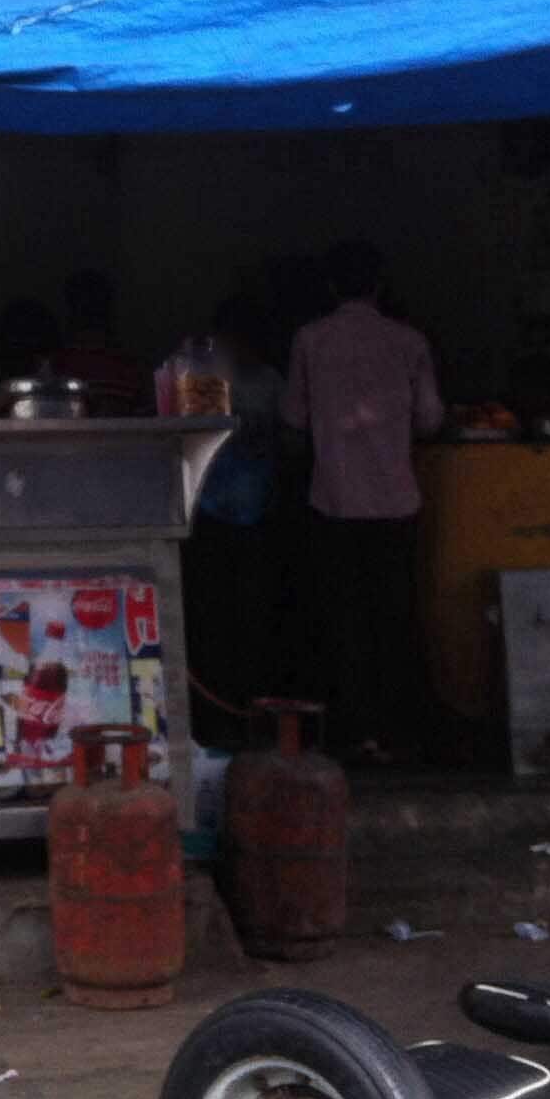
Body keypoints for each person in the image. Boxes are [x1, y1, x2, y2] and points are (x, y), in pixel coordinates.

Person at [281, 240, 444, 762]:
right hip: (397, 501)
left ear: (331, 287)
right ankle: (400, 731)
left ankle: (355, 733)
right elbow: (430, 419)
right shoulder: (409, 341)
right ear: (379, 285)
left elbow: (293, 417)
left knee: (343, 620)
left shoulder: (311, 339)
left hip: (334, 501)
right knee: (395, 617)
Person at [183, 300, 290, 720]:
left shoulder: (270, 382)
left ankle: (250, 710)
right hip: (209, 511)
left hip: (255, 512)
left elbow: (290, 439)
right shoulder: (205, 379)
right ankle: (216, 711)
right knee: (212, 615)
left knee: (252, 616)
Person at [49, 267, 148, 415]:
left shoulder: (133, 368)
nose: (89, 310)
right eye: (83, 304)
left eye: (94, 304)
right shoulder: (55, 367)